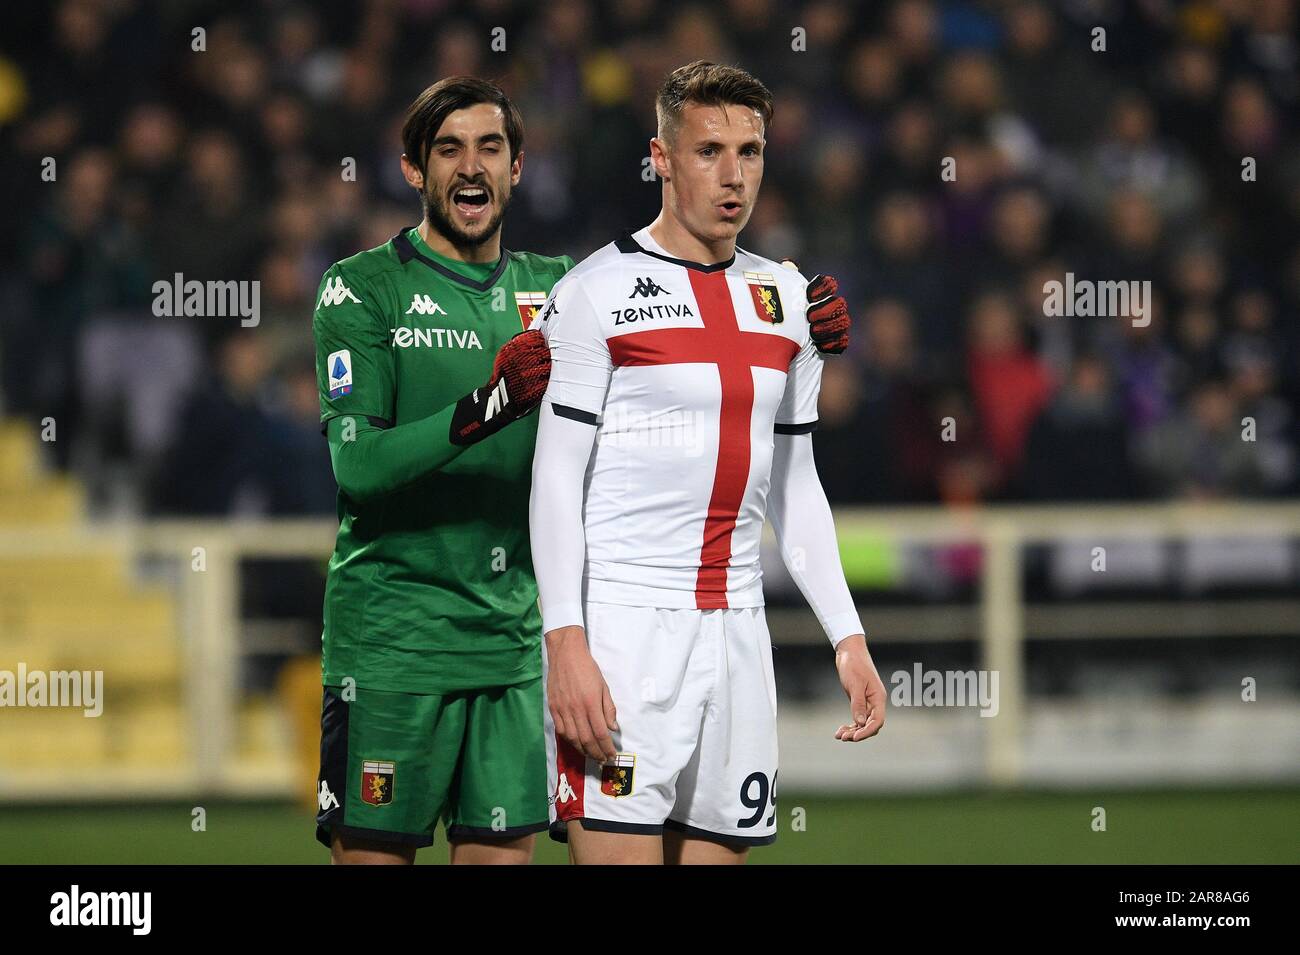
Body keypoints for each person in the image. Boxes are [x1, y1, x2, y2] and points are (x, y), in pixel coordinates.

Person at [529, 60, 886, 865]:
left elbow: (794, 484)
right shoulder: (595, 293)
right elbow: (553, 477)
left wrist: (847, 633)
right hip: (624, 631)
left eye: (751, 152)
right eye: (708, 151)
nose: (734, 176)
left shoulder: (790, 303)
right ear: (659, 157)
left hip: (739, 636)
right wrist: (566, 642)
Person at [312, 76, 563, 864]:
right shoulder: (361, 287)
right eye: (448, 149)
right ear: (414, 170)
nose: (471, 166)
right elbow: (359, 464)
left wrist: (786, 317)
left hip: (510, 650)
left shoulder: (560, 290)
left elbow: (672, 336)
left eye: (490, 147)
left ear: (517, 167)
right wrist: (486, 406)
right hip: (392, 647)